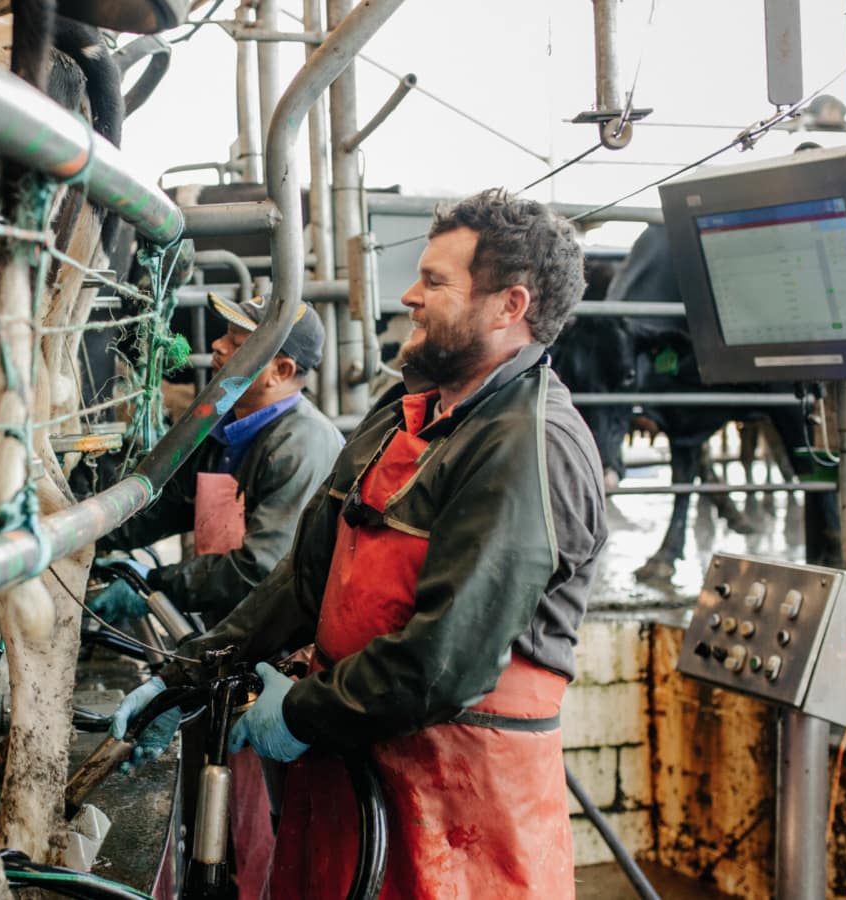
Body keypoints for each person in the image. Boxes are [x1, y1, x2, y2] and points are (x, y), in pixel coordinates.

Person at [112, 188, 609, 899]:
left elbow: (441, 665)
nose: (409, 294)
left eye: (435, 281)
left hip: (463, 801)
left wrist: (298, 713)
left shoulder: (526, 448)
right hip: (357, 771)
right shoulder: (402, 411)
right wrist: (187, 671)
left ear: (511, 307)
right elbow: (304, 576)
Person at [89, 295, 342, 628]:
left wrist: (154, 583)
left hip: (285, 642)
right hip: (232, 624)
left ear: (280, 371)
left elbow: (259, 568)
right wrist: (86, 535)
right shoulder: (221, 428)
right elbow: (168, 505)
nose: (216, 346)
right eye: (225, 335)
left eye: (236, 343)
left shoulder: (300, 446)